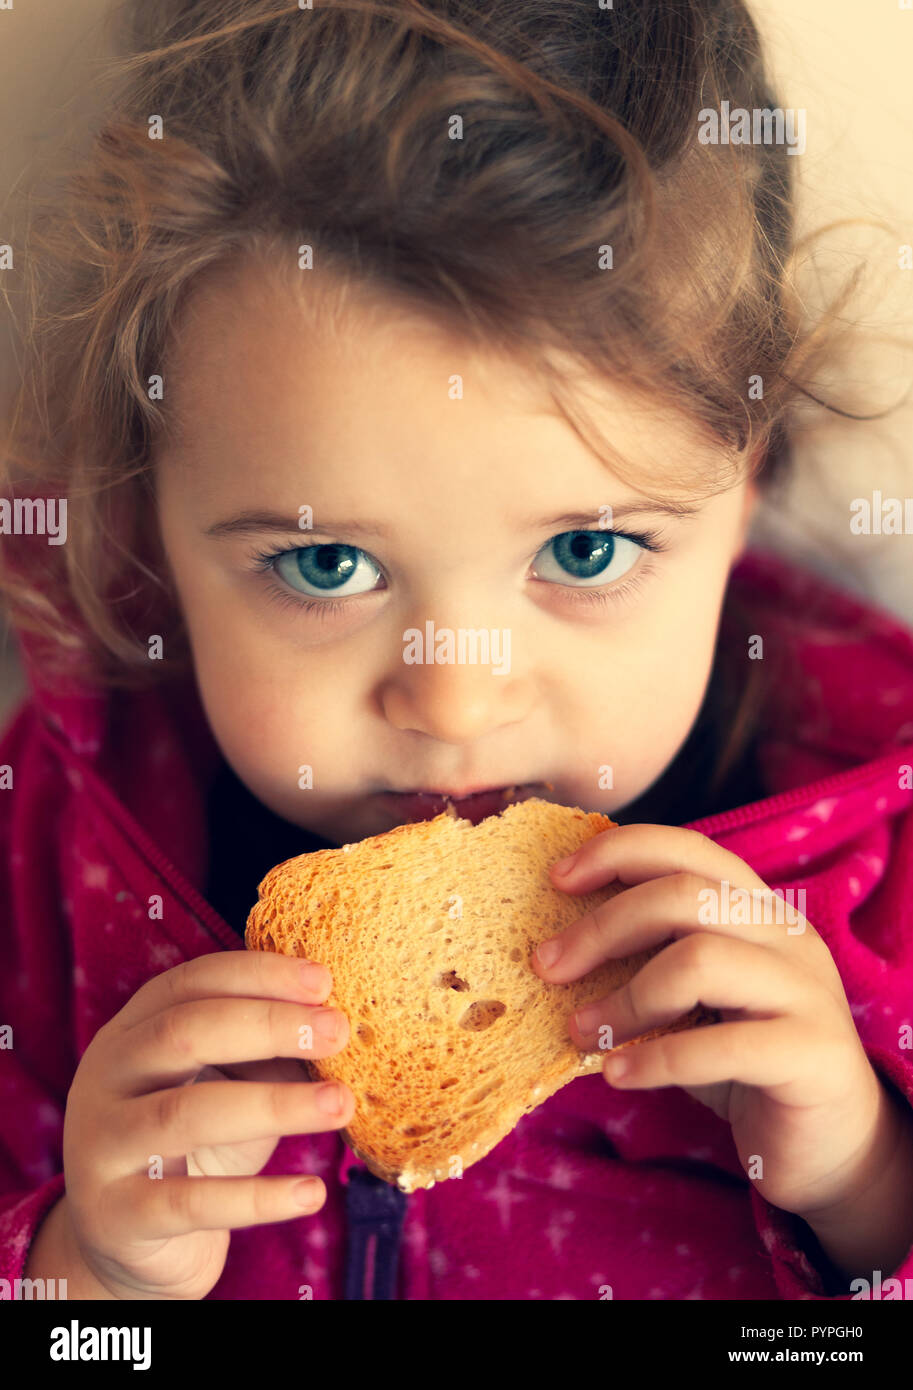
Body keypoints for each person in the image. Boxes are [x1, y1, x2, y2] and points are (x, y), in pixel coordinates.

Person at [1, 0, 912, 1302]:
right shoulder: (52, 844)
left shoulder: (878, 878)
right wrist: (86, 1274)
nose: (452, 695)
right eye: (326, 564)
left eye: (585, 552)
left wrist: (862, 1183)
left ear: (743, 485)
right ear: (149, 514)